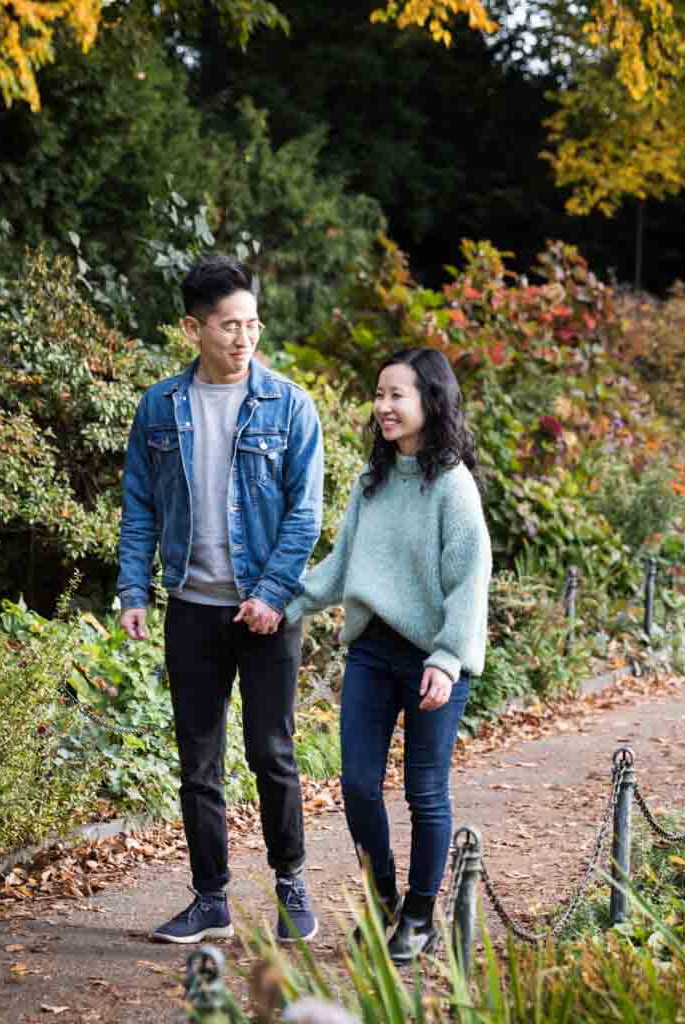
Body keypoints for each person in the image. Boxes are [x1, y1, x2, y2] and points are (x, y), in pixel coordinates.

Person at [117, 255, 325, 944]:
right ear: (193, 328)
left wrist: (272, 593)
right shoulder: (159, 407)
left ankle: (291, 887)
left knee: (272, 753)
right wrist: (133, 588)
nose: (245, 338)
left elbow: (305, 514)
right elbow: (139, 506)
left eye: (253, 324)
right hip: (192, 607)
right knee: (198, 763)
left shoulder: (289, 405)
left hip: (267, 612)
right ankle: (211, 901)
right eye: (230, 325)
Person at [285, 347, 492, 963]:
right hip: (373, 652)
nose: (383, 406)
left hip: (434, 660)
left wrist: (448, 658)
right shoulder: (370, 483)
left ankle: (420, 916)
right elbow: (342, 565)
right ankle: (382, 902)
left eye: (397, 394)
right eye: (379, 394)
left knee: (425, 791)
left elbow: (470, 579)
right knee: (357, 784)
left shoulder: (452, 485)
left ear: (431, 400)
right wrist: (282, 604)